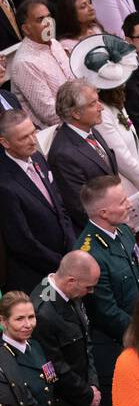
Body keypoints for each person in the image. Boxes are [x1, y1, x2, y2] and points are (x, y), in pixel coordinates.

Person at [78, 175, 139, 394]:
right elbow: (106, 312)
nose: (129, 204)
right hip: (122, 345)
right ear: (103, 213)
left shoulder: (124, 231)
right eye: (121, 202)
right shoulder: (89, 255)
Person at [0, 108, 75, 292]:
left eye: (33, 132)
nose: (33, 140)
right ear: (5, 142)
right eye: (23, 138)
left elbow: (60, 207)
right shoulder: (4, 184)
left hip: (66, 258)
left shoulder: (38, 157)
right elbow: (21, 241)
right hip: (39, 275)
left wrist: (71, 248)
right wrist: (61, 263)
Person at [30, 251, 101, 406]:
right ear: (71, 281)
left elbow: (86, 342)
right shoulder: (42, 313)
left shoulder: (71, 292)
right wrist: (87, 394)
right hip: (67, 405)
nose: (91, 292)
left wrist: (93, 385)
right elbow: (54, 368)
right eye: (88, 287)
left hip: (87, 391)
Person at [46, 79, 117, 228]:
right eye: (93, 104)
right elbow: (81, 207)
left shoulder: (91, 130)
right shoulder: (62, 155)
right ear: (76, 113)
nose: (101, 107)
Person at [8, 0, 73, 127]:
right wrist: (82, 114)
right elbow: (49, 114)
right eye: (40, 20)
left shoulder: (54, 43)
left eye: (49, 17)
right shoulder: (24, 63)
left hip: (78, 116)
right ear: (26, 29)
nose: (48, 23)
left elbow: (74, 81)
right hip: (57, 131)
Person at [1, 291, 65, 406]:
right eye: (19, 319)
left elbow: (51, 382)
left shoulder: (35, 345)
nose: (28, 325)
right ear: (3, 321)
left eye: (31, 317)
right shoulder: (3, 357)